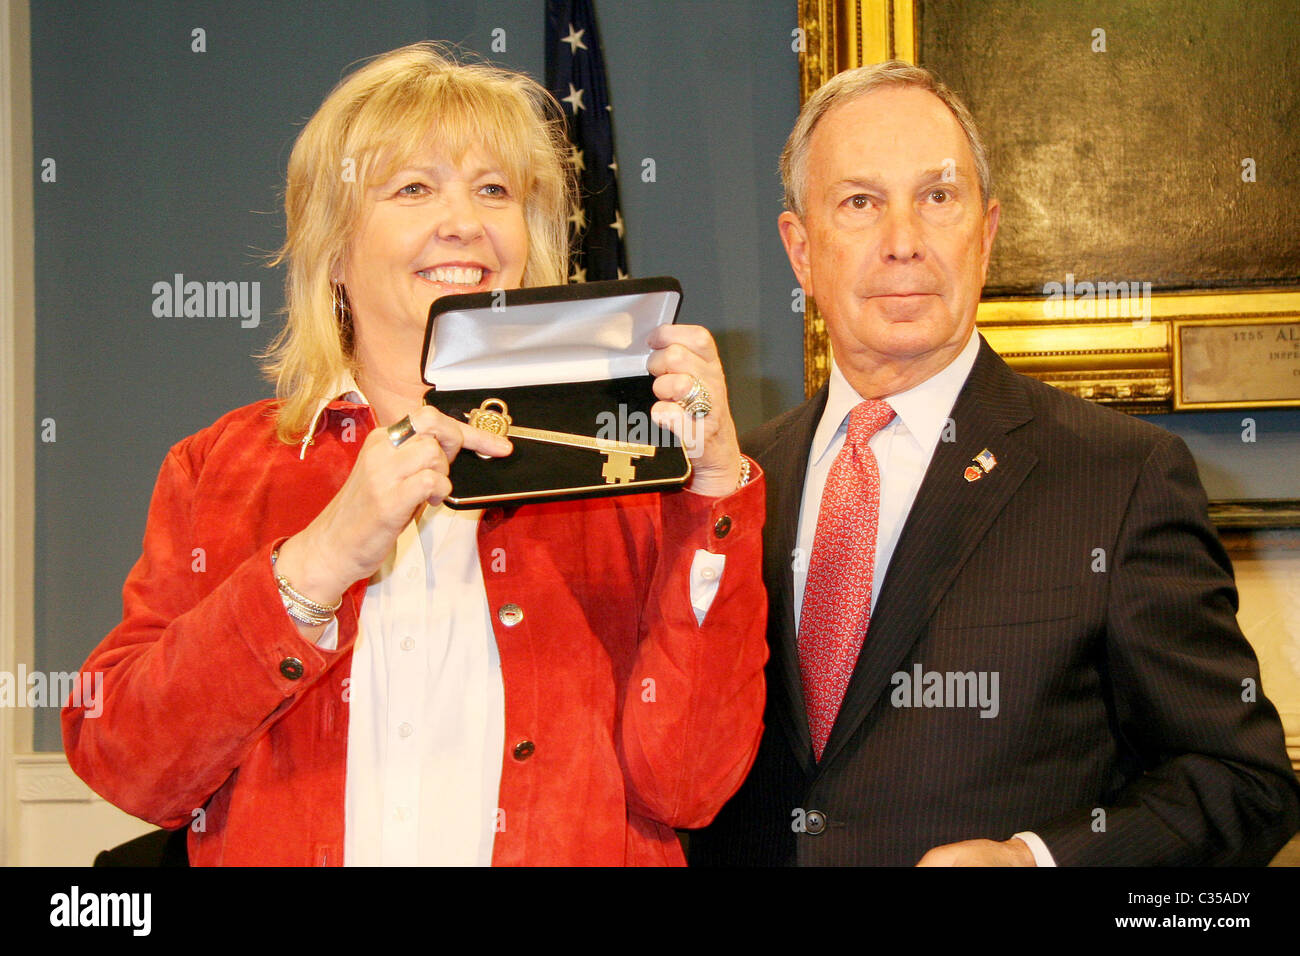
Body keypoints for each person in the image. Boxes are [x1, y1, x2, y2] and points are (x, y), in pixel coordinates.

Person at [62, 42, 767, 866]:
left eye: (494, 190)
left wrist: (715, 487)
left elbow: (690, 785)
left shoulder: (618, 469)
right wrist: (317, 563)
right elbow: (129, 766)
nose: (464, 222)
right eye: (414, 188)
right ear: (333, 250)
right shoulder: (218, 469)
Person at [691, 61, 1299, 866]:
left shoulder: (1121, 479)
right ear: (800, 249)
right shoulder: (734, 480)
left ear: (988, 232)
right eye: (860, 203)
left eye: (937, 199)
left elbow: (1242, 781)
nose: (903, 243)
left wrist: (1034, 861)